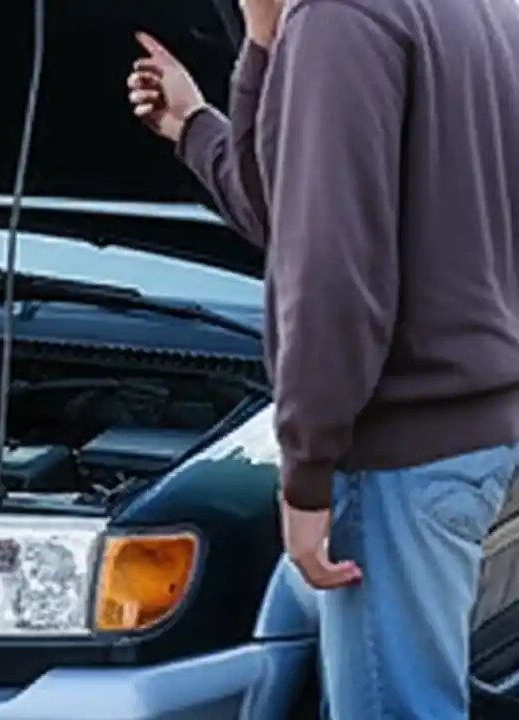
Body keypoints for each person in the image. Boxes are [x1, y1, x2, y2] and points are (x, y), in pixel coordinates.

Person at [127, 0, 519, 718]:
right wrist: (238, 73)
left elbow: (330, 270)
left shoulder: (342, 21)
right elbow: (288, 209)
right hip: (467, 433)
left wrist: (306, 476)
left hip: (396, 455)